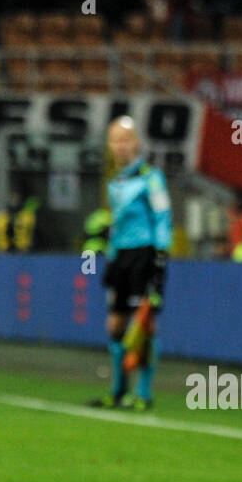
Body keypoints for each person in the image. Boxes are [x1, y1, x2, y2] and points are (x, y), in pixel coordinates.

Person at [90, 116, 172, 411]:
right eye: (114, 140)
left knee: (144, 324)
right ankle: (117, 389)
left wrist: (161, 256)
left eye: (125, 140)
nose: (120, 146)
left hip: (144, 254)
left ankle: (144, 393)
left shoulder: (151, 177)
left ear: (136, 143)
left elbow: (162, 218)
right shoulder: (115, 181)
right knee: (115, 323)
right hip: (120, 257)